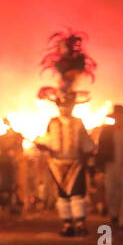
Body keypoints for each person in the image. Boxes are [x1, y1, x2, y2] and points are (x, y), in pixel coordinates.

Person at [37, 95, 96, 237]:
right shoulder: (53, 122)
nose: (64, 109)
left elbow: (85, 141)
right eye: (62, 106)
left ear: (72, 107)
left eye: (67, 106)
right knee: (62, 195)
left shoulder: (78, 122)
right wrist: (41, 144)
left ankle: (80, 224)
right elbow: (48, 139)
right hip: (57, 164)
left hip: (75, 164)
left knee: (77, 194)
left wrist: (90, 152)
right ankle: (67, 224)